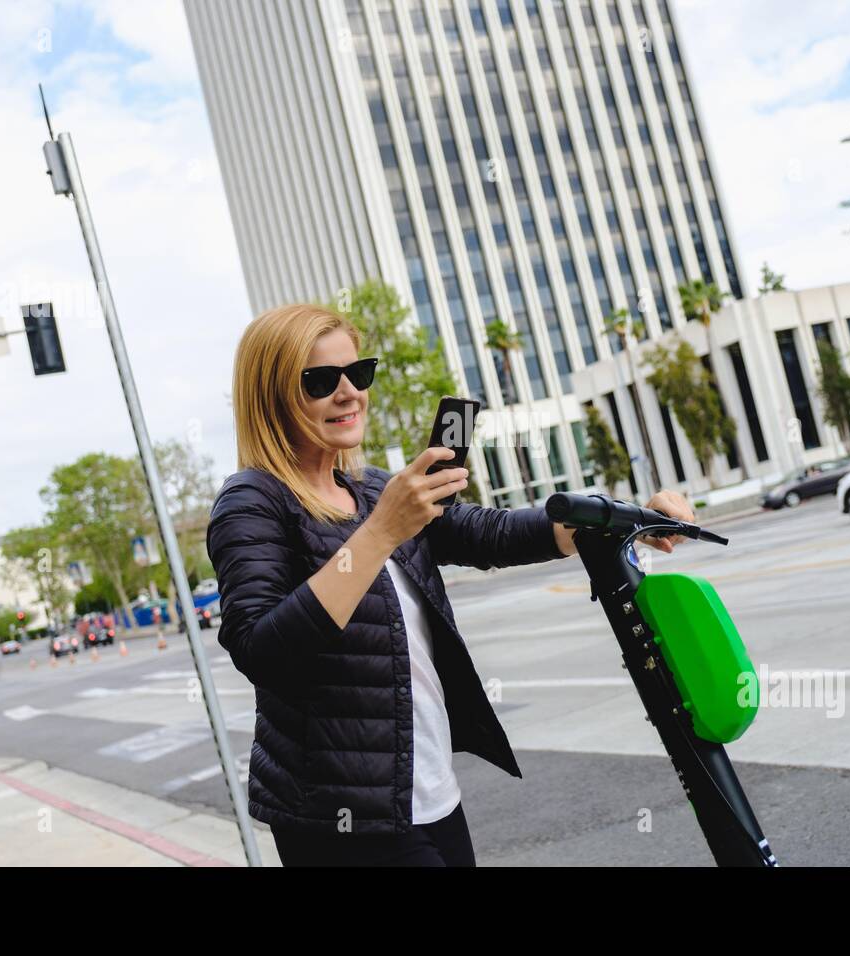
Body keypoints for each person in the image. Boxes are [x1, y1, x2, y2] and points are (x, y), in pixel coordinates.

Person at [206, 303, 694, 867]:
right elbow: (261, 649)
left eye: (357, 373)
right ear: (271, 396)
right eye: (320, 381)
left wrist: (629, 517)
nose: (348, 393)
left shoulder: (371, 490)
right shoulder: (252, 503)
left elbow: (493, 533)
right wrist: (382, 531)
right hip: (341, 817)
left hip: (430, 793)